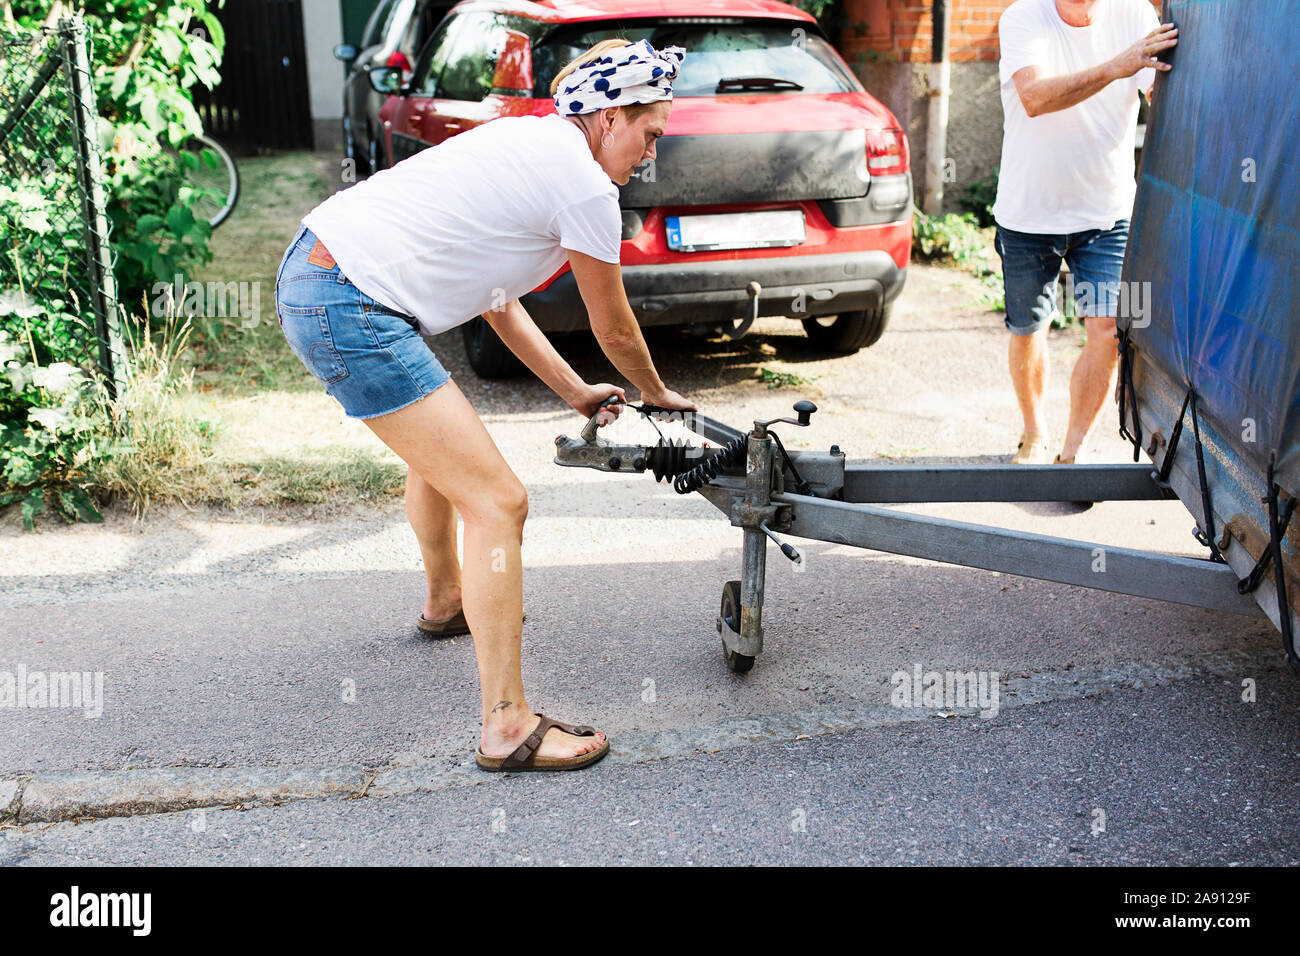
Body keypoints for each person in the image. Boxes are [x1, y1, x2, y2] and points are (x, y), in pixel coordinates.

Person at [273, 38, 695, 773]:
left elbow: (497, 302)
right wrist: (656, 393)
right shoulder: (585, 187)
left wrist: (573, 390)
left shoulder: (531, 141)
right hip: (350, 301)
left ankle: (446, 602)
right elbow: (615, 325)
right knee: (499, 501)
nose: (650, 154)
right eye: (650, 133)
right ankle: (506, 724)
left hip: (322, 270)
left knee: (444, 460)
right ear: (609, 117)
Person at [993, 0, 1177, 464]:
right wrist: (1118, 66)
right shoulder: (1022, 17)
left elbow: (1163, 90)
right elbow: (1034, 97)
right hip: (1028, 214)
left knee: (1112, 330)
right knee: (1029, 327)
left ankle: (1072, 453)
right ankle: (1034, 432)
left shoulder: (1136, 15)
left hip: (1108, 212)